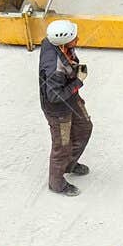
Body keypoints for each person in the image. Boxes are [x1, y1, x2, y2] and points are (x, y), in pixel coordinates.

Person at [38, 19, 91, 196]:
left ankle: (69, 164)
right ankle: (57, 182)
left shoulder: (53, 43)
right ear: (63, 41)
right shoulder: (55, 69)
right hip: (59, 111)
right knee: (62, 145)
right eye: (74, 38)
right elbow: (54, 96)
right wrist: (78, 81)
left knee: (84, 127)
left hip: (71, 98)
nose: (78, 39)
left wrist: (74, 70)